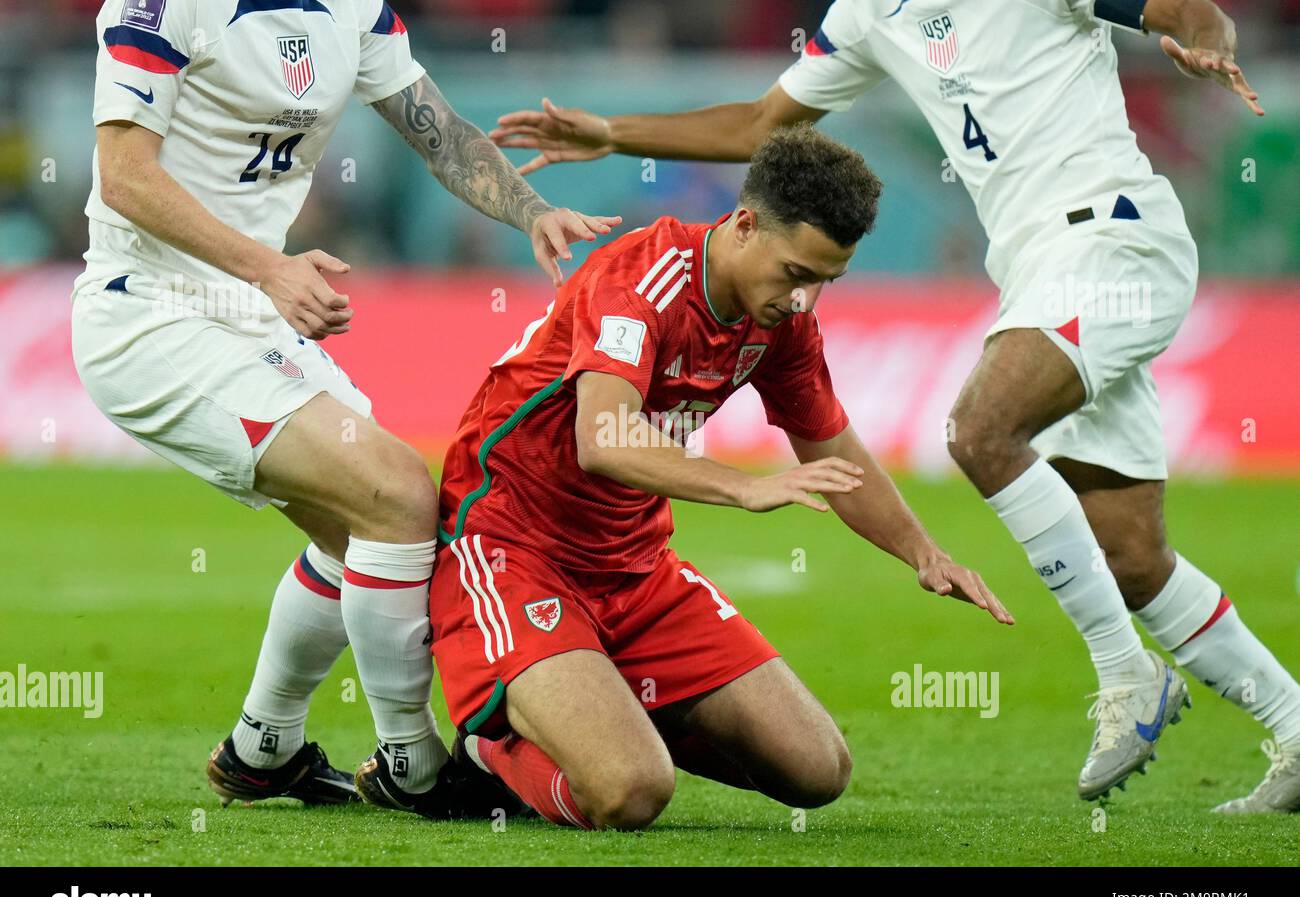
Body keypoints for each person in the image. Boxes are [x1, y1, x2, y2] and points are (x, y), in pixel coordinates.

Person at [489, 0, 1300, 813]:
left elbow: (1182, 8)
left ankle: (1127, 674)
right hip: (1037, 272)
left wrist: (1207, 40)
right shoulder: (872, 12)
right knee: (1127, 556)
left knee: (982, 431)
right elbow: (766, 123)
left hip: (1114, 243)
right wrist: (613, 134)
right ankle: (1295, 731)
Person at [71, 0, 619, 815]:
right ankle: (413, 763)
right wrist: (268, 268)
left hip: (254, 308)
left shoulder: (355, 7)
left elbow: (438, 131)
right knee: (394, 494)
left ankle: (264, 748)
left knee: (368, 527)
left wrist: (531, 211)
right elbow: (125, 176)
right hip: (149, 309)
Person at [428, 124, 1013, 830]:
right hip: (515, 549)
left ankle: (600, 710)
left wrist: (925, 555)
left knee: (817, 771)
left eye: (828, 280)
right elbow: (601, 439)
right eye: (799, 274)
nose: (808, 301)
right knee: (629, 793)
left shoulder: (785, 323)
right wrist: (740, 485)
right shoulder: (640, 280)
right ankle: (489, 754)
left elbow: (837, 451)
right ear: (742, 226)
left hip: (634, 566)